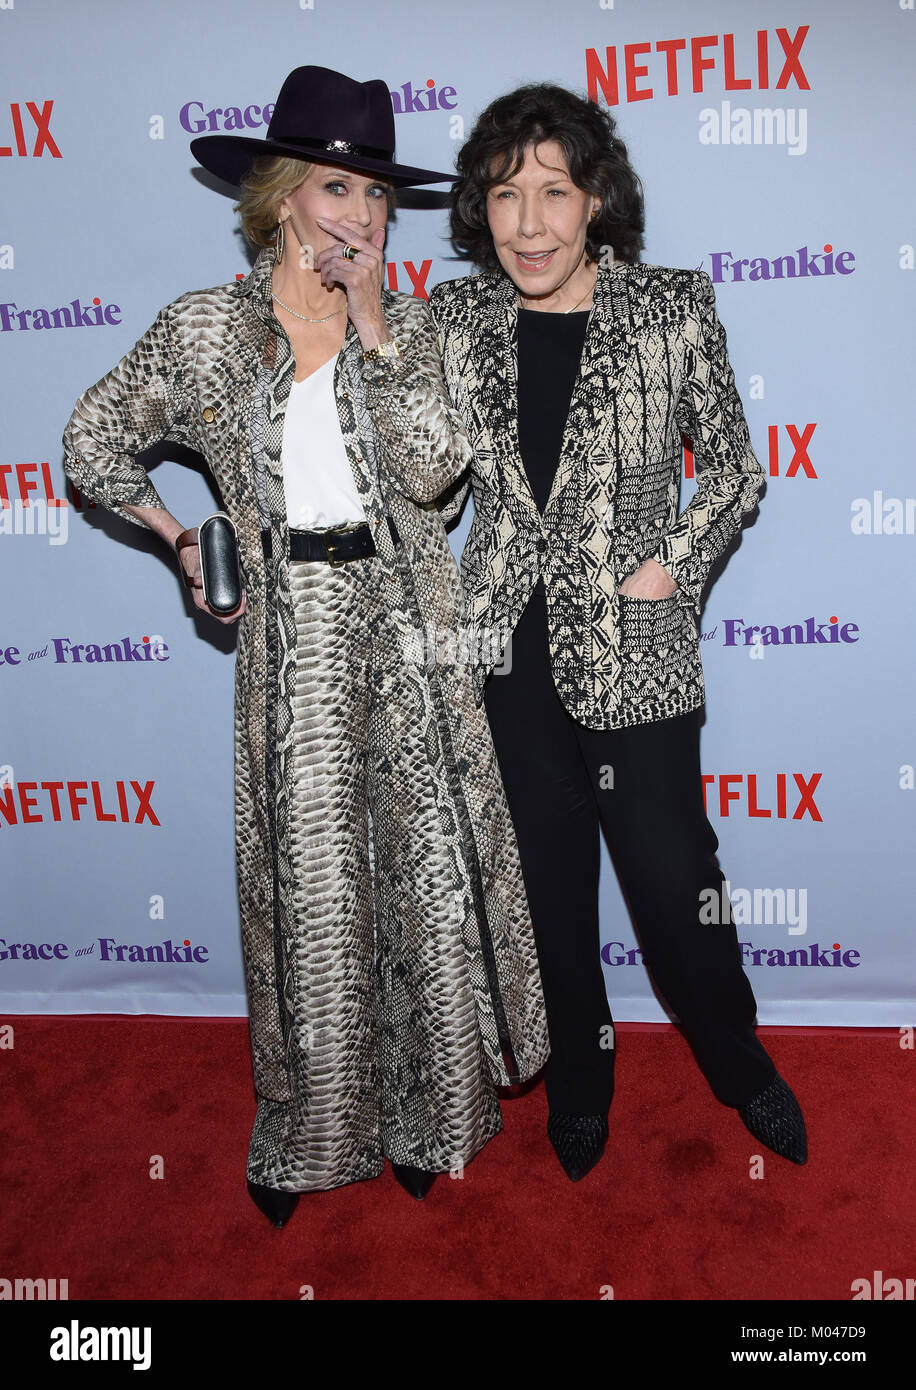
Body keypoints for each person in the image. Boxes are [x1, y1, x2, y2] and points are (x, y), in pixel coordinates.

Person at [61, 66, 548, 1227]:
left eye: (377, 196)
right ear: (282, 195)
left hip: (411, 618)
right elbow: (91, 444)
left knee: (425, 878)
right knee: (312, 891)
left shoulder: (418, 327)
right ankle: (309, 1136)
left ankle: (432, 1120)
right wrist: (183, 540)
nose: (362, 217)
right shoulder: (206, 332)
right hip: (294, 635)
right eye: (338, 188)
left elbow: (437, 473)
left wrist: (377, 327)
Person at [427, 83, 807, 1182]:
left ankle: (740, 1067)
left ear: (595, 198)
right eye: (505, 196)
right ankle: (580, 1089)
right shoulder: (456, 322)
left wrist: (672, 571)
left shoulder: (672, 308)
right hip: (503, 660)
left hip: (637, 657)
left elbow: (733, 469)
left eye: (553, 191)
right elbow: (425, 475)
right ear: (480, 210)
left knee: (676, 897)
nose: (529, 223)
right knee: (548, 903)